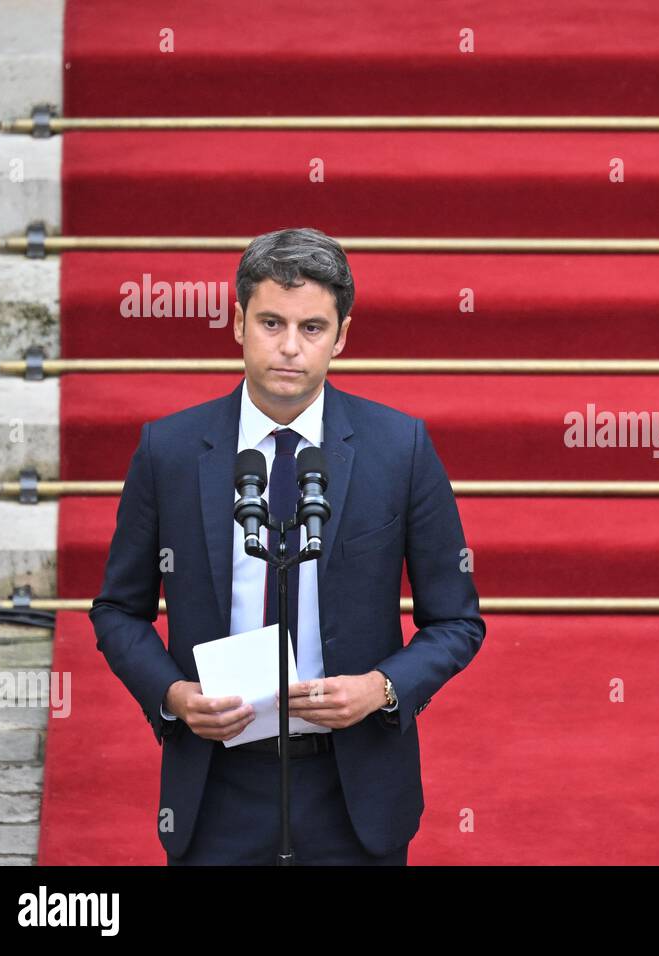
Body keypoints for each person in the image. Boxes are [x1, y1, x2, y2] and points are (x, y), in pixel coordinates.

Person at [90, 227, 485, 865]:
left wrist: (381, 688)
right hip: (216, 788)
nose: (290, 349)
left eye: (312, 328)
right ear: (238, 321)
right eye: (272, 322)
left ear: (343, 335)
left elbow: (457, 621)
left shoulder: (400, 448)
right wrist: (172, 696)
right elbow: (116, 609)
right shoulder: (168, 450)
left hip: (352, 789)